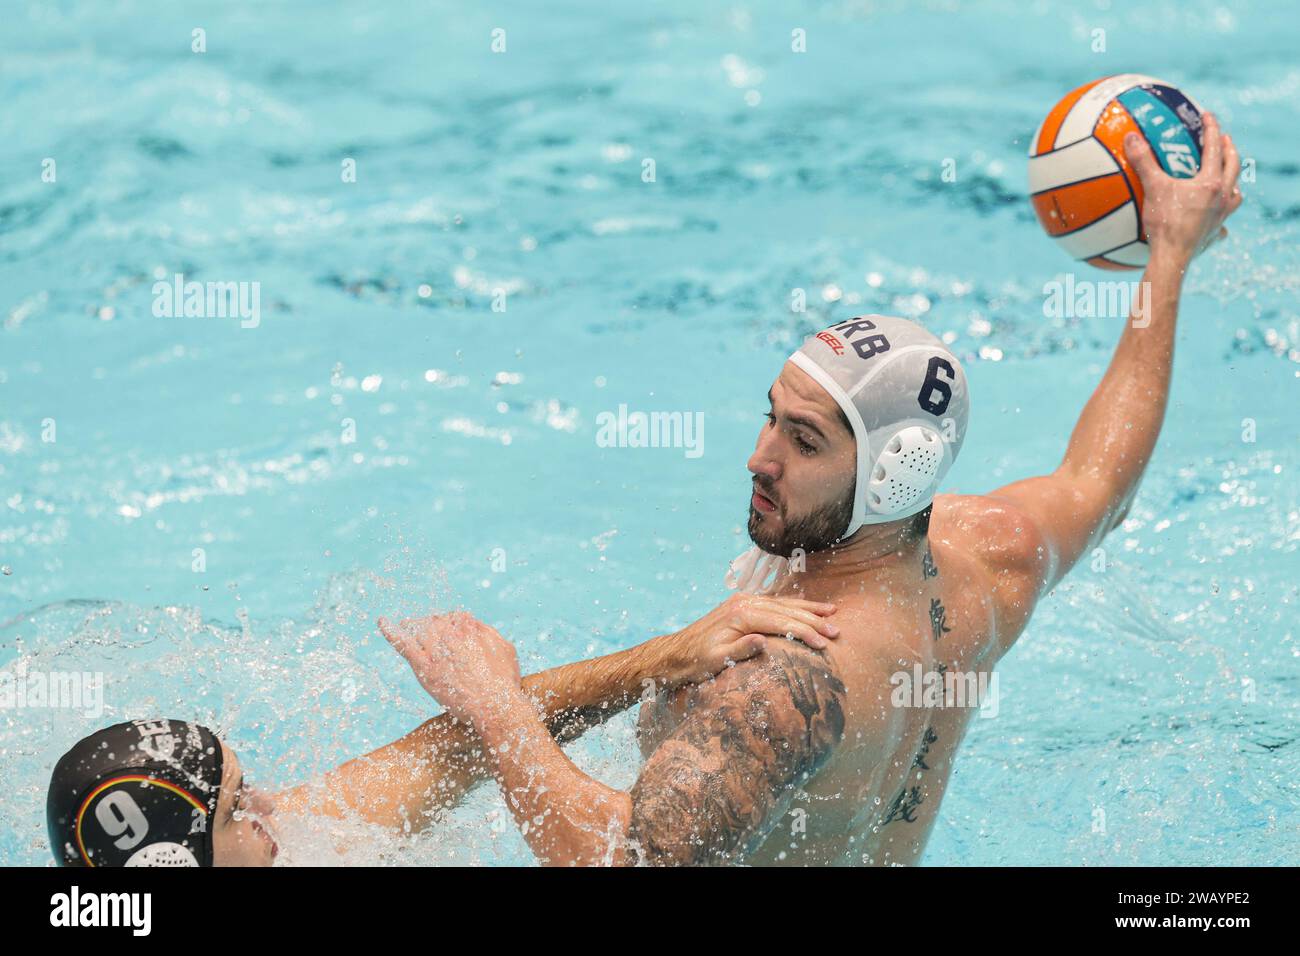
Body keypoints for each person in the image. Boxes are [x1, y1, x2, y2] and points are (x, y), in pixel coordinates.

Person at [378, 114, 1244, 865]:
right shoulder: (991, 559)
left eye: (803, 441)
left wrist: (498, 707)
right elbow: (1101, 475)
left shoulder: (780, 676)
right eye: (770, 419)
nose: (759, 459)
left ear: (892, 473)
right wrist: (1168, 261)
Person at [46, 598, 837, 866]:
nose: (269, 803)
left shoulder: (282, 841)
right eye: (235, 810)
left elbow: (453, 750)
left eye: (246, 779)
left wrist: (665, 659)